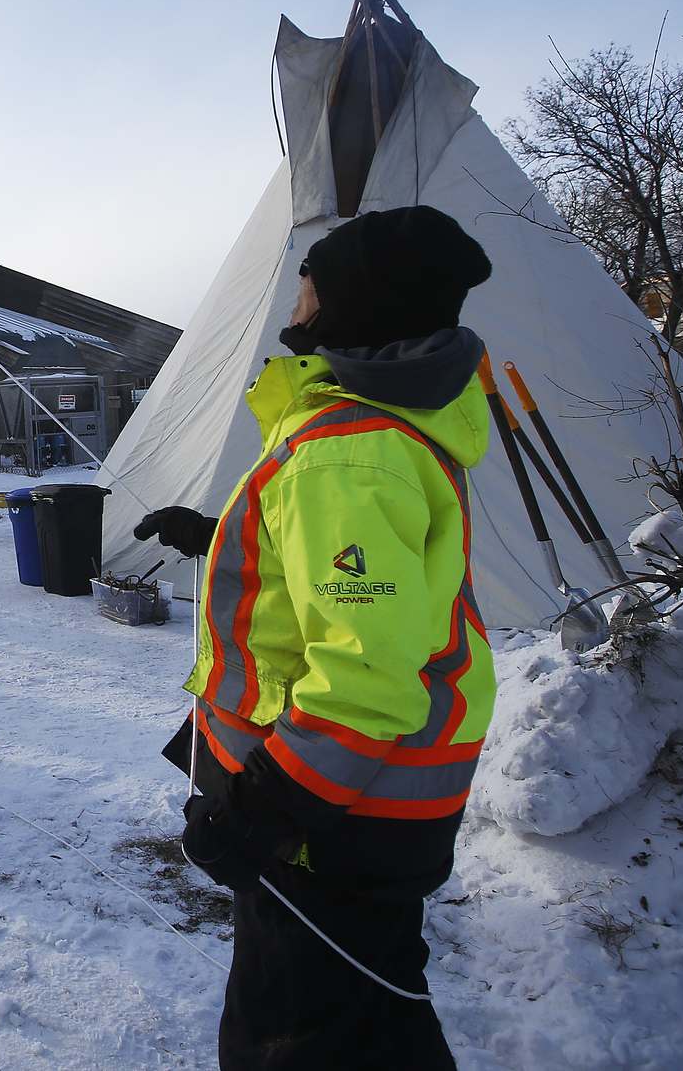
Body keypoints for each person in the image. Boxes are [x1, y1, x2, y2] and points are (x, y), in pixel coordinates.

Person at [131, 205, 496, 1070]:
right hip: (360, 813)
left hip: (332, 823)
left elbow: (366, 674)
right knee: (368, 1020)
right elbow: (351, 584)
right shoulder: (380, 430)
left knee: (300, 1041)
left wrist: (262, 810)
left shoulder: (348, 449)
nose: (295, 311)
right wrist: (221, 529)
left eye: (308, 290)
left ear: (354, 306)